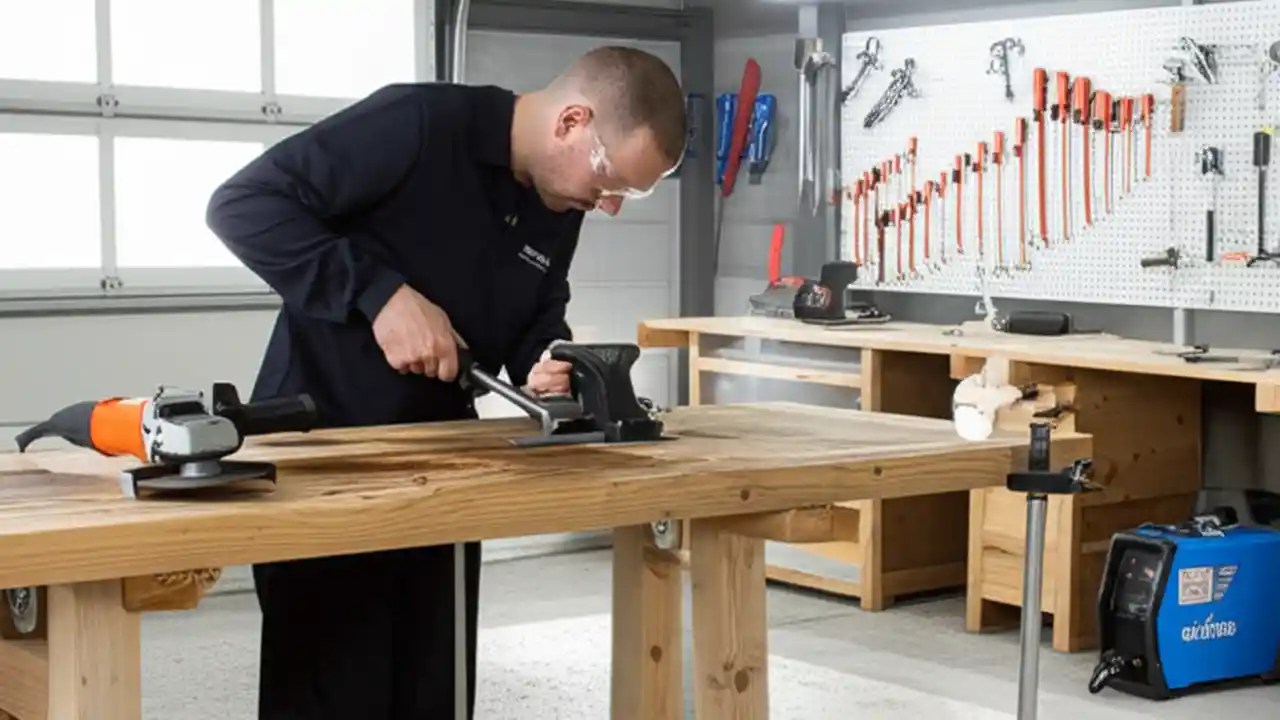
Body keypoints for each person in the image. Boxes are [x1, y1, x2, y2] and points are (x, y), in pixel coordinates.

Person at [205, 46, 686, 719]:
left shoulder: (560, 197)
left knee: (436, 689)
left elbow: (536, 314)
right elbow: (241, 205)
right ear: (571, 121)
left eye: (627, 196)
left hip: (447, 472)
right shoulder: (420, 125)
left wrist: (549, 363)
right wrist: (380, 296)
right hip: (327, 453)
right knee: (335, 688)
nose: (607, 206)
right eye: (612, 183)